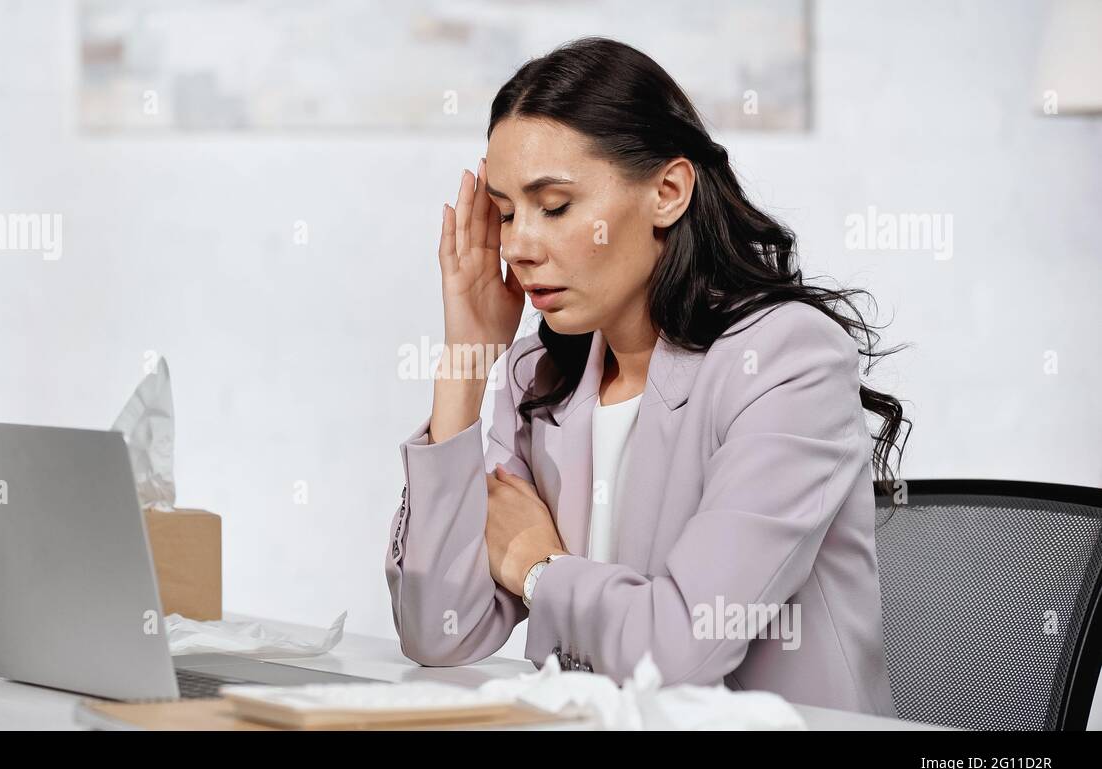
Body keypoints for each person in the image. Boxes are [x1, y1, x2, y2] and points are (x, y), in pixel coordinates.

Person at [385, 36, 909, 716]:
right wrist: (466, 361)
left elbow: (683, 647)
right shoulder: (538, 379)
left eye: (555, 205)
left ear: (667, 192)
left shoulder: (787, 360)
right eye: (508, 212)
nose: (516, 244)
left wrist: (538, 569)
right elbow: (437, 631)